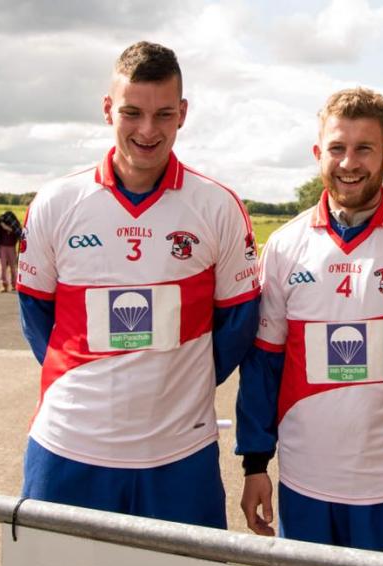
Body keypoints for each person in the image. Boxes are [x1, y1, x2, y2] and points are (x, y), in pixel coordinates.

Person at [16, 41, 259, 528]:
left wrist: (178, 385)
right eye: (132, 113)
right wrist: (90, 383)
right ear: (108, 109)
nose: (148, 130)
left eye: (163, 114)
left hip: (180, 452)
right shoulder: (57, 202)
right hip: (68, 445)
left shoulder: (217, 206)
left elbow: (239, 324)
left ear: (182, 114)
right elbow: (36, 314)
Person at [235, 87, 383, 560]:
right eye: (337, 148)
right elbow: (263, 364)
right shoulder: (284, 246)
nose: (349, 163)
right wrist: (255, 463)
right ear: (318, 154)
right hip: (306, 486)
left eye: (364, 148)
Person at [0, 210, 22, 292]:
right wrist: (2, 225)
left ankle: (14, 285)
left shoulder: (14, 225)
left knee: (13, 267)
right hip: (2, 247)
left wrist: (6, 227)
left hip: (12, 247)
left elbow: (18, 232)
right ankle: (4, 285)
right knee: (2, 267)